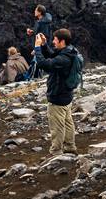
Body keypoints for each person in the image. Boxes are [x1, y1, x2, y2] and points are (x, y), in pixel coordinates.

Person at [32, 28, 81, 156]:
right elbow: (53, 56)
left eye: (55, 39)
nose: (53, 41)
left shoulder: (64, 59)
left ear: (62, 41)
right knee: (67, 122)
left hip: (58, 96)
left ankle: (56, 151)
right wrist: (44, 45)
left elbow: (44, 64)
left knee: (57, 126)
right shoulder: (70, 51)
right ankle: (70, 147)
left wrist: (37, 48)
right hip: (66, 94)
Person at [25, 4, 54, 77]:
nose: (34, 11)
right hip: (40, 47)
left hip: (41, 48)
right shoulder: (40, 21)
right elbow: (38, 32)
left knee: (37, 64)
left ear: (40, 12)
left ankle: (35, 78)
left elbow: (44, 36)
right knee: (36, 64)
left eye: (36, 10)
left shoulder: (43, 23)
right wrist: (32, 32)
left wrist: (36, 49)